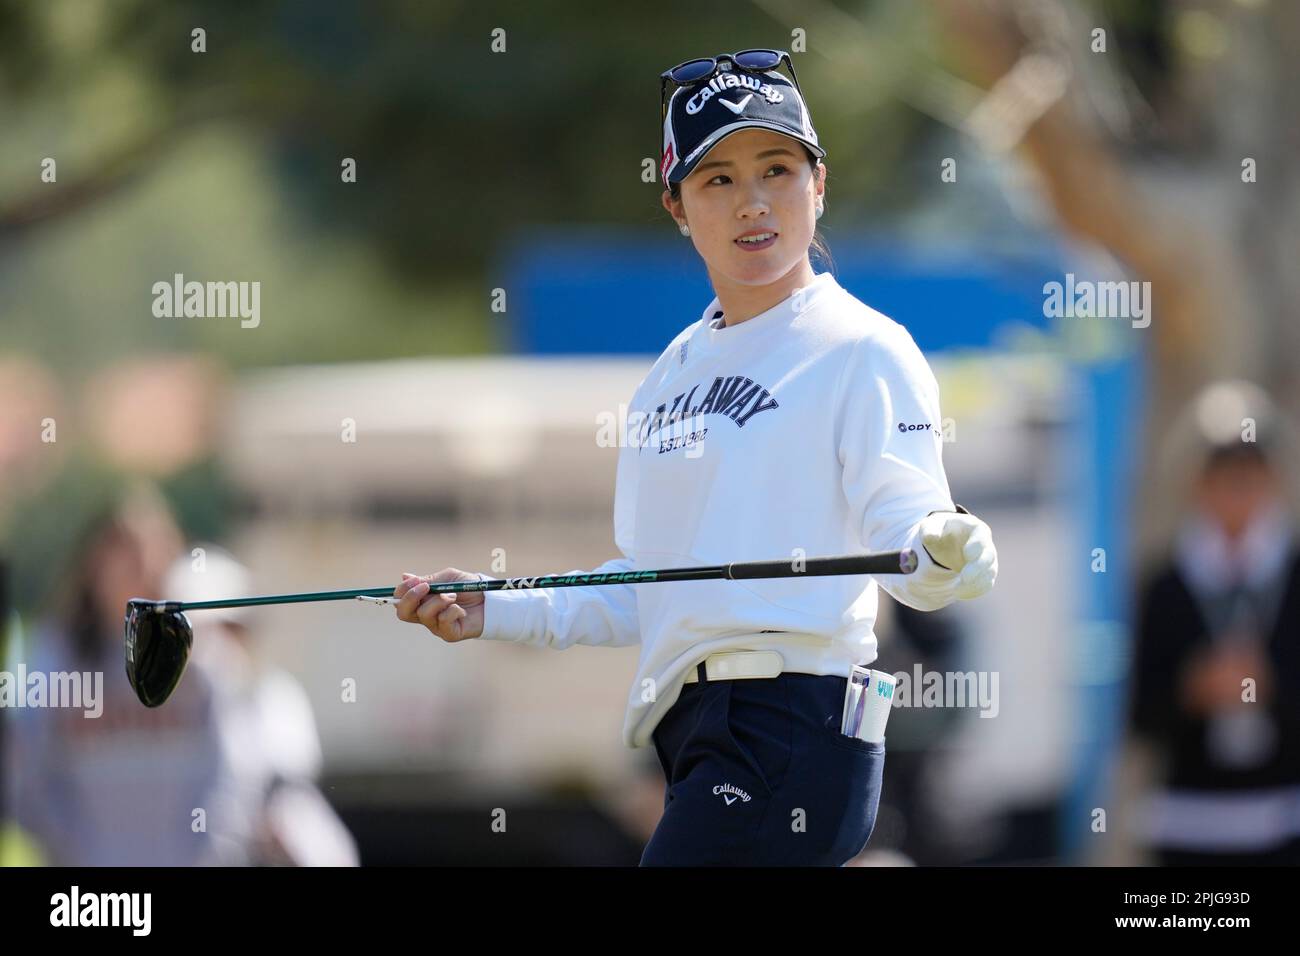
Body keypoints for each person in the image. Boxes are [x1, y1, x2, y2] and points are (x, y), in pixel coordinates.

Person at [393, 49, 998, 866]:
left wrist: (947, 545)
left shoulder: (864, 348)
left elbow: (911, 536)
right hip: (691, 738)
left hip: (795, 728)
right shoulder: (668, 377)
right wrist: (494, 606)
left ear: (819, 185)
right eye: (718, 179)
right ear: (676, 204)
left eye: (777, 169)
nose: (753, 202)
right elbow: (649, 586)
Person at [1128, 380, 1300, 865]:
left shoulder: (1292, 574)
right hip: (1188, 828)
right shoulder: (1166, 584)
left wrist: (1273, 684)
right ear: (1198, 483)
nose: (1238, 491)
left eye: (1251, 475)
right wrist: (1193, 689)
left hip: (1284, 823)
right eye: (1224, 475)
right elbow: (1140, 713)